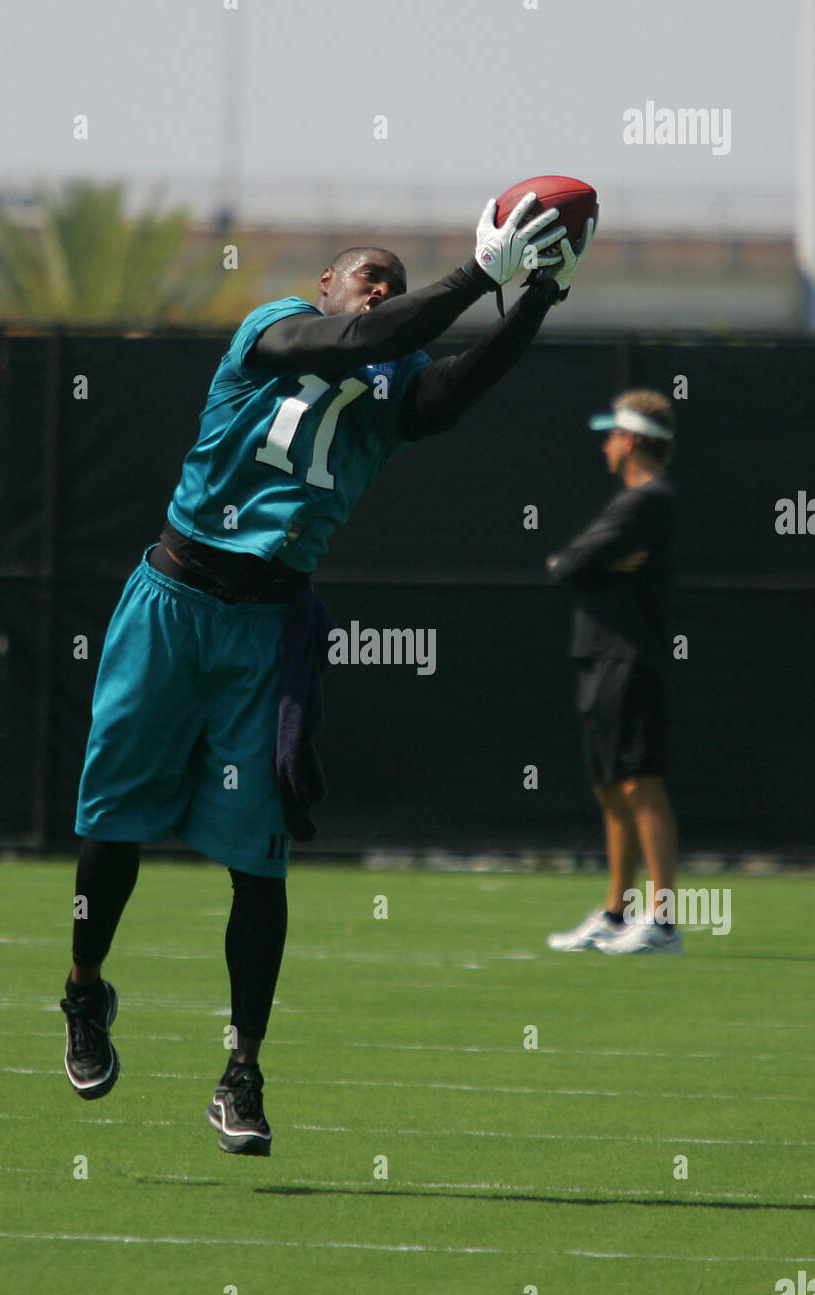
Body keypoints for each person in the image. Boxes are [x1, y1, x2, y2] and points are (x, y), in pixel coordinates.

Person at [59, 194, 594, 1154]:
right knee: (111, 825)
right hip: (172, 606)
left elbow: (456, 386)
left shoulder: (390, 392)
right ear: (326, 288)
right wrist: (479, 273)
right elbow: (356, 342)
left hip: (264, 633)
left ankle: (243, 1071)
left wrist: (538, 295)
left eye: (392, 279)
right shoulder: (275, 331)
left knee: (259, 862)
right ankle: (84, 989)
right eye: (368, 276)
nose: (381, 290)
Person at [545, 389, 682, 956]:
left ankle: (663, 922)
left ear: (629, 439)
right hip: (598, 655)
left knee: (638, 781)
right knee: (609, 786)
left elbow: (572, 563)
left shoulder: (649, 500)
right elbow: (572, 564)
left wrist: (582, 564)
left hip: (628, 657)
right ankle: (615, 913)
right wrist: (585, 563)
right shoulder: (630, 503)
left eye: (611, 436)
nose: (604, 446)